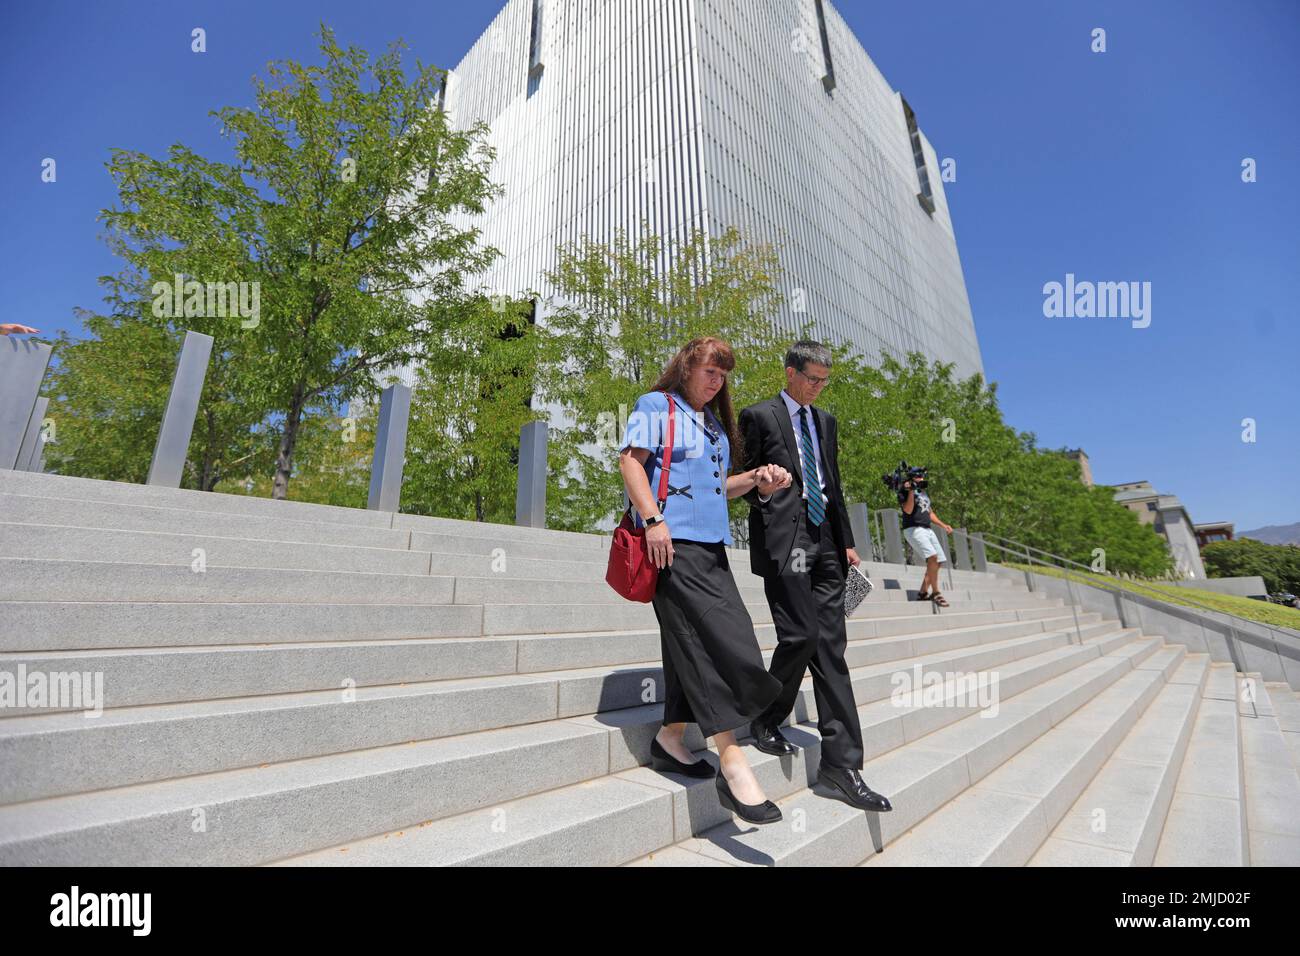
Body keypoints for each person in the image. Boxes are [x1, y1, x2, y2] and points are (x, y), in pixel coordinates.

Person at [618, 336, 794, 824]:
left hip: (710, 546)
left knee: (690, 641)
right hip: (670, 544)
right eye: (709, 370)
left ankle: (670, 738)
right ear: (686, 368)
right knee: (722, 639)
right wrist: (654, 520)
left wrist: (756, 477)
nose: (717, 380)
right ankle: (733, 761)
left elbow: (718, 486)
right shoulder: (658, 405)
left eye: (723, 374)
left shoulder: (713, 425)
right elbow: (631, 461)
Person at [738, 340, 893, 813]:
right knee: (801, 635)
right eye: (811, 379)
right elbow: (739, 479)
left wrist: (845, 541)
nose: (817, 388)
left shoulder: (825, 422)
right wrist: (762, 489)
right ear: (789, 373)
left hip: (826, 539)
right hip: (786, 538)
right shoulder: (757, 416)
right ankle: (766, 715)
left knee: (830, 647)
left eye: (824, 381)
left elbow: (832, 481)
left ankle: (841, 766)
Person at [899, 468, 954, 607]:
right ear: (911, 478)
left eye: (922, 476)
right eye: (918, 476)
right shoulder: (904, 490)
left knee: (939, 561)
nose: (922, 478)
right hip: (914, 529)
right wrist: (911, 490)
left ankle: (923, 592)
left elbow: (929, 512)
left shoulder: (923, 492)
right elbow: (908, 510)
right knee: (933, 557)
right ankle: (936, 592)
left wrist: (943, 525)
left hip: (928, 529)